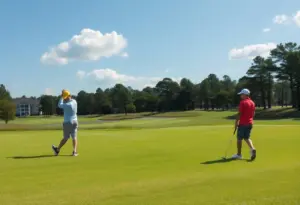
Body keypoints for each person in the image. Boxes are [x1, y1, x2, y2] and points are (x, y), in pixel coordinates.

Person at [52, 89, 79, 157]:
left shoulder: (67, 105)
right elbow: (66, 100)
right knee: (74, 137)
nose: (65, 99)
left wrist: (61, 97)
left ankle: (57, 150)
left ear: (68, 96)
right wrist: (64, 95)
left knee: (66, 137)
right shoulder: (74, 101)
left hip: (67, 122)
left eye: (65, 98)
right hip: (75, 121)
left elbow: (59, 105)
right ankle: (74, 152)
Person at [232, 88, 256, 161]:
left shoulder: (243, 102)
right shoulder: (252, 102)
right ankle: (252, 149)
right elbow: (253, 113)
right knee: (246, 137)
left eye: (241, 94)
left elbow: (239, 113)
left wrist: (236, 123)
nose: (240, 96)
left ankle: (239, 155)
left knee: (239, 139)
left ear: (245, 95)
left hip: (243, 123)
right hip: (250, 123)